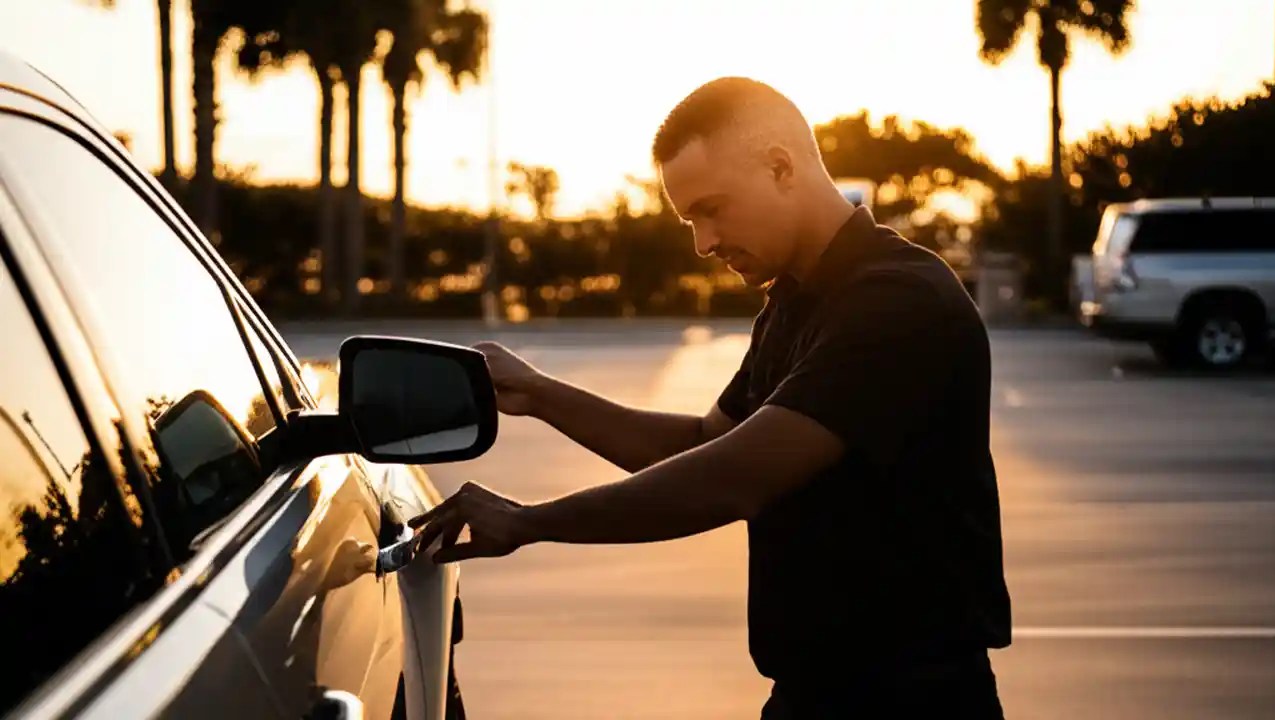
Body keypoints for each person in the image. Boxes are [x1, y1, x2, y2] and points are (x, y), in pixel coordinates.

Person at [411, 77, 1011, 718]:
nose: (703, 242)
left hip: (912, 699)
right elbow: (704, 442)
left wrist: (530, 522)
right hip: (813, 695)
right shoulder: (793, 303)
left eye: (712, 208)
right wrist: (539, 392)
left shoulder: (897, 302)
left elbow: (734, 478)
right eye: (691, 219)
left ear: (781, 165)